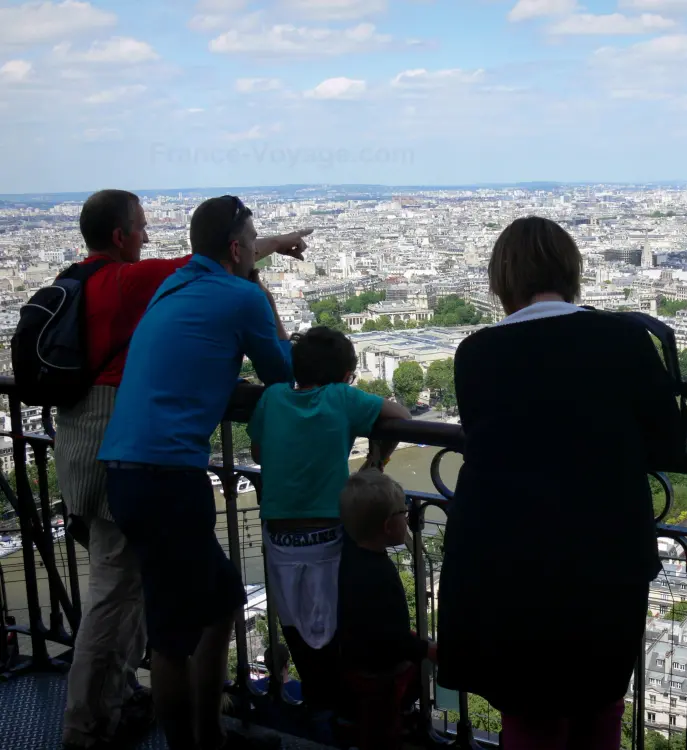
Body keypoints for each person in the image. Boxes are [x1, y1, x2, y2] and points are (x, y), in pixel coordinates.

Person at [57, 189, 310, 750]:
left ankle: (207, 727)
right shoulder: (237, 295)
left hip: (127, 470)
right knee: (172, 637)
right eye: (250, 243)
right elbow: (283, 373)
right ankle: (189, 743)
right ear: (237, 248)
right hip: (166, 475)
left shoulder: (172, 284)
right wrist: (263, 298)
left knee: (220, 599)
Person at [436, 216, 681, 750]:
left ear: (502, 281)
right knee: (600, 700)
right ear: (572, 271)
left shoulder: (475, 354)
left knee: (529, 711)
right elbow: (669, 441)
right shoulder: (623, 338)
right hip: (604, 554)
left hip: (507, 559)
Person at [247, 326, 410, 710]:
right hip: (329, 533)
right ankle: (345, 715)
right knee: (339, 631)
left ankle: (315, 709)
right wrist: (376, 464)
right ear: (345, 374)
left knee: (295, 626)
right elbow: (399, 416)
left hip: (278, 534)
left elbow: (257, 453)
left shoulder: (271, 398)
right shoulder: (340, 397)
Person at [336, 470, 435, 748]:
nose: (408, 517)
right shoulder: (378, 575)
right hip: (380, 672)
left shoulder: (351, 555)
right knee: (381, 733)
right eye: (404, 512)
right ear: (388, 526)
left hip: (354, 659)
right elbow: (391, 637)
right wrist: (427, 650)